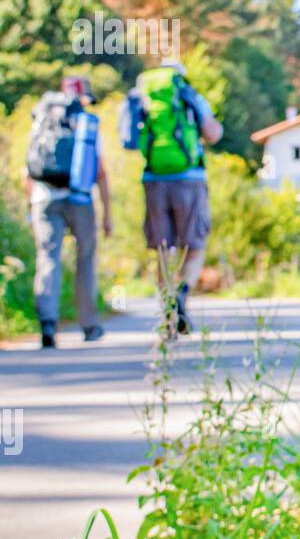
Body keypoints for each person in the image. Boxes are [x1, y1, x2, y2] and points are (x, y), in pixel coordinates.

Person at [121, 57, 223, 336]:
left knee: (164, 249)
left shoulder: (143, 96)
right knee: (195, 244)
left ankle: (167, 303)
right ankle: (182, 291)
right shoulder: (188, 94)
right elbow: (212, 133)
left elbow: (128, 140)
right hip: (190, 179)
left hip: (153, 179)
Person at [25, 76, 112, 349]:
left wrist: (31, 205)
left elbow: (26, 169)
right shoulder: (85, 122)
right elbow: (100, 172)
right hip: (80, 200)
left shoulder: (41, 119)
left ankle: (48, 324)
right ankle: (89, 325)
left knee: (48, 258)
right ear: (84, 95)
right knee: (85, 259)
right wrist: (108, 213)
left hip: (44, 198)